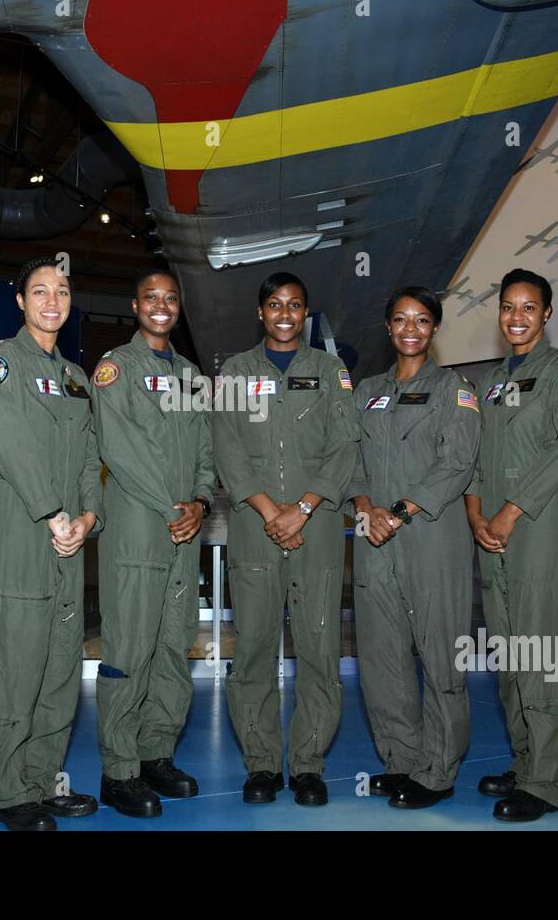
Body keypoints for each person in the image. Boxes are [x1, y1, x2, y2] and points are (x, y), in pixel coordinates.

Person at [212, 272, 360, 806]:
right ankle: (261, 765)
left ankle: (308, 765)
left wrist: (301, 509)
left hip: (316, 529)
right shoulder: (235, 372)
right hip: (254, 530)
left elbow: (346, 447)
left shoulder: (330, 372)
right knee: (252, 650)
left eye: (295, 305)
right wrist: (271, 511)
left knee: (320, 650)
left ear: (305, 314)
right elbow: (226, 448)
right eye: (275, 304)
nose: (284, 313)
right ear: (260, 312)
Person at [0, 255, 103, 832]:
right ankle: (5, 790)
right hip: (21, 530)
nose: (53, 300)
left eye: (63, 291)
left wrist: (88, 519)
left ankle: (42, 782)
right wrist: (54, 515)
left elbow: (94, 457)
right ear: (21, 301)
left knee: (59, 666)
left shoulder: (77, 378)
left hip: (70, 534)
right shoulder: (2, 362)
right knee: (16, 663)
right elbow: (13, 444)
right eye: (40, 291)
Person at [464, 268, 558, 823]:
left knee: (541, 653)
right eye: (507, 308)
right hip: (491, 534)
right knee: (511, 655)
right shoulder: (491, 381)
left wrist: (512, 511)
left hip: (538, 530)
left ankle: (546, 780)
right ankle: (524, 761)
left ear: (546, 315)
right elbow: (473, 456)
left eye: (528, 308)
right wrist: (476, 515)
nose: (516, 317)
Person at [347, 287, 480, 810]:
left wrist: (397, 512)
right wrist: (365, 508)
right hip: (373, 538)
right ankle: (401, 760)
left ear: (434, 329)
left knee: (440, 654)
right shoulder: (366, 391)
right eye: (400, 318)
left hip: (430, 538)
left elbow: (458, 463)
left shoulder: (455, 389)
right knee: (382, 658)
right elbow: (350, 460)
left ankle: (439, 768)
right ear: (387, 326)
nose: (410, 328)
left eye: (422, 320)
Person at [89, 266, 215, 818]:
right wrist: (174, 509)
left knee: (172, 648)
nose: (161, 306)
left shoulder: (192, 376)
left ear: (178, 307)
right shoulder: (116, 369)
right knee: (129, 651)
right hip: (139, 532)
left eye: (170, 299)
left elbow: (206, 453)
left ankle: (154, 754)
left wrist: (202, 504)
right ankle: (118, 770)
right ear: (134, 305)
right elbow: (121, 451)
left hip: (184, 536)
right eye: (150, 298)